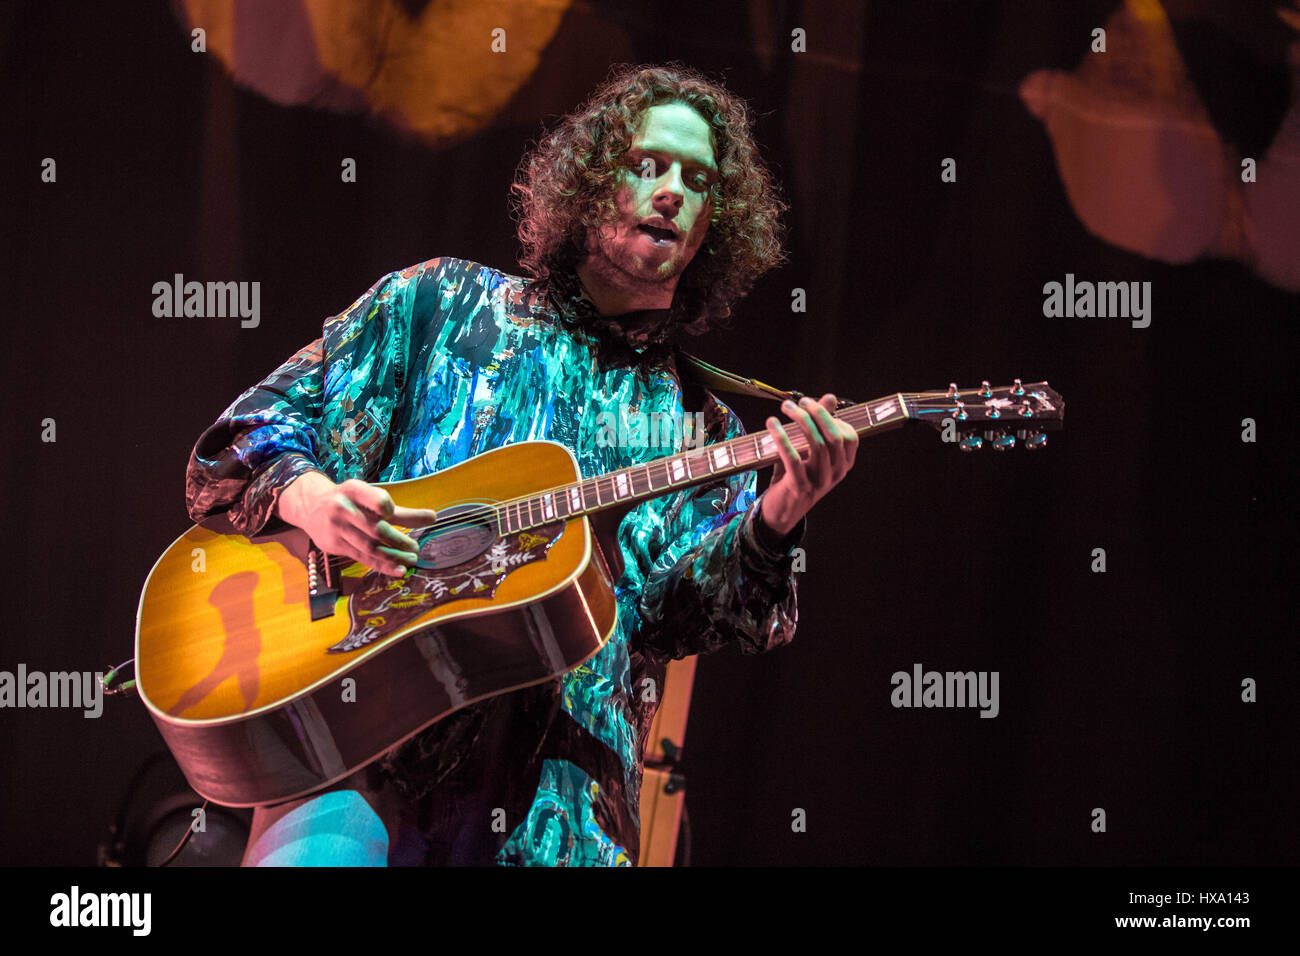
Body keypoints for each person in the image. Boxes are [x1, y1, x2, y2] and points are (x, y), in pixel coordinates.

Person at [184, 63, 859, 866]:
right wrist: (315, 500)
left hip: (558, 803)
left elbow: (684, 615)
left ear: (717, 222)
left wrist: (777, 519)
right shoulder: (440, 306)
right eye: (648, 165)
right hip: (358, 753)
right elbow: (244, 437)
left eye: (698, 179)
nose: (673, 191)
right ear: (590, 180)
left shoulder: (699, 429)